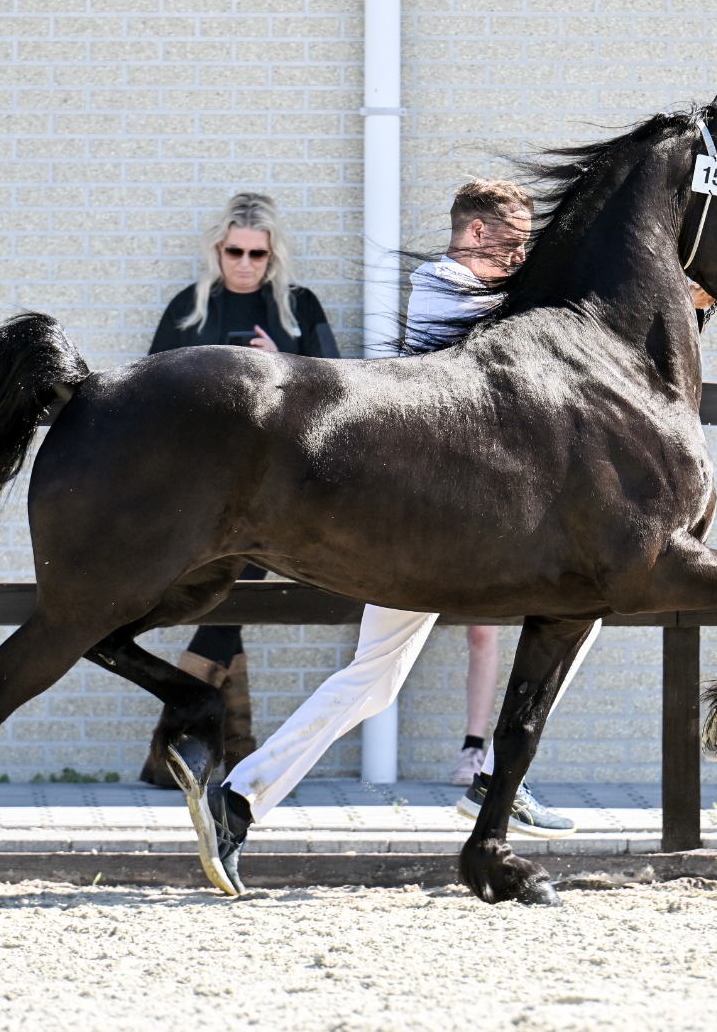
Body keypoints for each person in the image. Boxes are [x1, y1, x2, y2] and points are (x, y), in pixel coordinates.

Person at [195, 180, 606, 896]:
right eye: (513, 239)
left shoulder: (481, 291)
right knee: (580, 604)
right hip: (438, 524)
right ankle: (493, 773)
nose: (522, 254)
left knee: (374, 680)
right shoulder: (444, 283)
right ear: (476, 235)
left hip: (447, 522)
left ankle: (238, 798)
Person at [136, 192, 339, 788]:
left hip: (279, 492)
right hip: (201, 492)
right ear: (217, 250)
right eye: (235, 252)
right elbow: (148, 388)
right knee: (225, 603)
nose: (245, 263)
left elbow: (339, 386)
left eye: (257, 253)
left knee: (227, 603)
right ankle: (231, 745)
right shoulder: (191, 309)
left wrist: (282, 363)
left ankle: (171, 748)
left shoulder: (297, 308)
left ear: (272, 255)